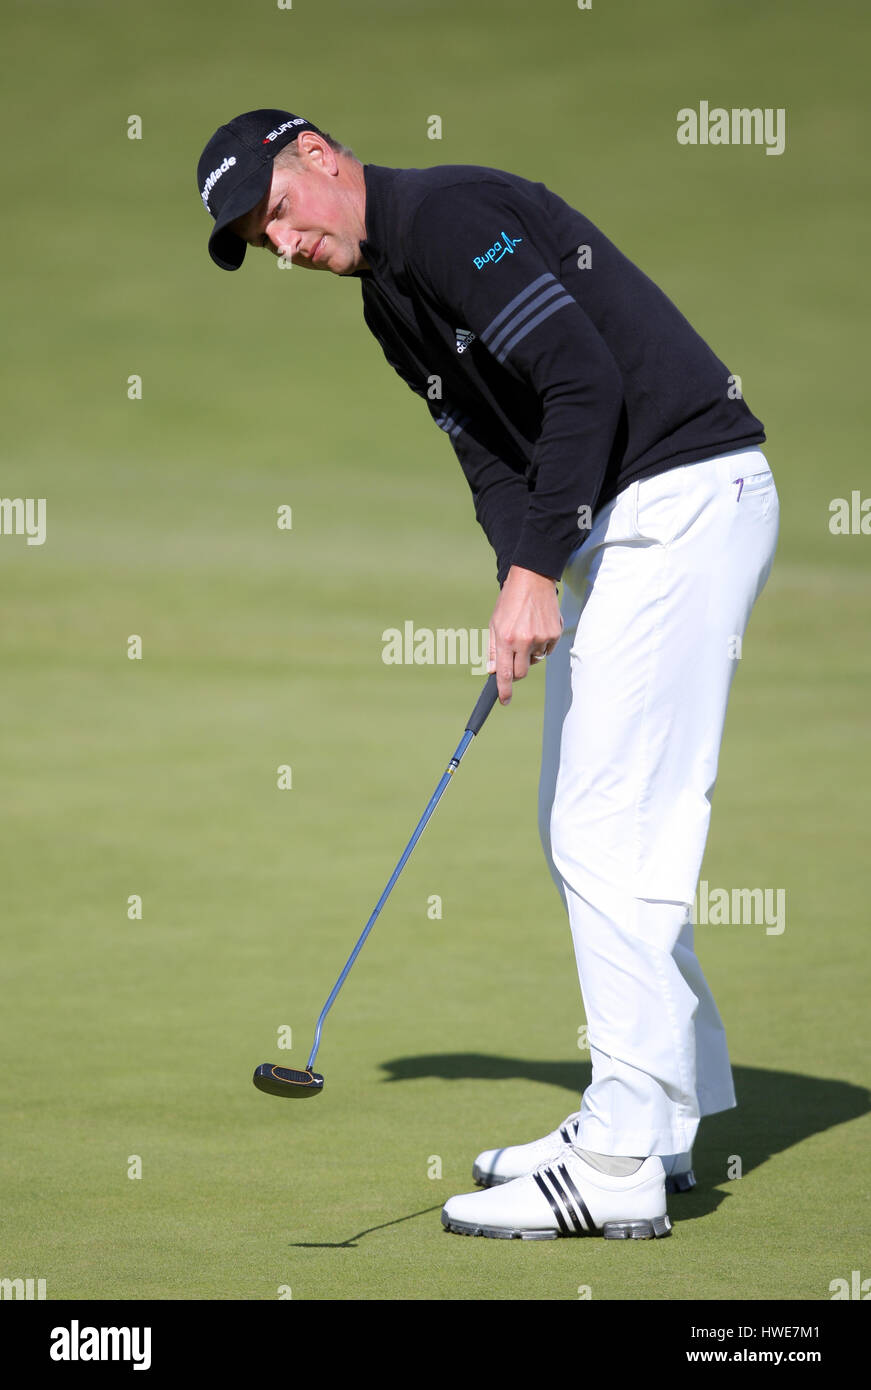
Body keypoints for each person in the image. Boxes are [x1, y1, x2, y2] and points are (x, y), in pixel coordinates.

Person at [196, 109, 779, 1241]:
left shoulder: (448, 216)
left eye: (276, 208)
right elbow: (488, 452)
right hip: (638, 520)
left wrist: (534, 569)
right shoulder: (386, 297)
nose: (283, 241)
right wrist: (516, 585)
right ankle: (656, 1121)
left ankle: (617, 1156)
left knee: (607, 829)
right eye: (260, 239)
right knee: (601, 826)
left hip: (683, 499)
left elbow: (582, 381)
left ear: (318, 153)